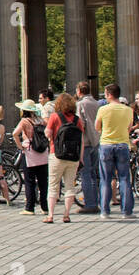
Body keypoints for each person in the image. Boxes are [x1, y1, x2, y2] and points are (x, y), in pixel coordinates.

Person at [94, 83, 135, 220]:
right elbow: (129, 127)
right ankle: (127, 211)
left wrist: (105, 132)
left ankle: (105, 211)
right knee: (124, 178)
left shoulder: (103, 109)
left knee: (105, 178)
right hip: (123, 144)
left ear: (109, 94)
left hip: (106, 144)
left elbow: (97, 127)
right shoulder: (128, 110)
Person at [43, 93, 83, 224]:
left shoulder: (55, 117)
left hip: (57, 154)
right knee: (70, 186)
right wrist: (80, 158)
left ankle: (50, 215)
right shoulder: (77, 120)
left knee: (53, 185)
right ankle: (66, 215)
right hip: (73, 157)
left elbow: (48, 134)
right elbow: (81, 141)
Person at [12, 100, 49, 216]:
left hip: (30, 151)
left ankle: (30, 207)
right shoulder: (40, 120)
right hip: (42, 151)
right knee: (43, 181)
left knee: (29, 181)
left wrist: (20, 146)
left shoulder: (24, 121)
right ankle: (45, 207)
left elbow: (15, 134)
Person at [75, 82, 101, 214]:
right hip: (96, 141)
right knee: (94, 174)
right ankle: (96, 201)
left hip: (85, 142)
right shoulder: (97, 103)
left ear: (80, 91)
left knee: (85, 174)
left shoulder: (80, 104)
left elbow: (81, 124)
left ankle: (90, 203)